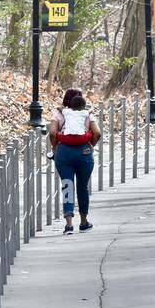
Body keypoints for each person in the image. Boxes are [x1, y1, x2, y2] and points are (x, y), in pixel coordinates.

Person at [49, 91, 101, 235]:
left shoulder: (59, 114)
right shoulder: (88, 114)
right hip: (84, 152)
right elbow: (97, 133)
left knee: (67, 185)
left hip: (64, 153)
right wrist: (91, 145)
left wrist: (54, 147)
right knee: (83, 187)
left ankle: (69, 225)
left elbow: (53, 133)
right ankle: (84, 222)